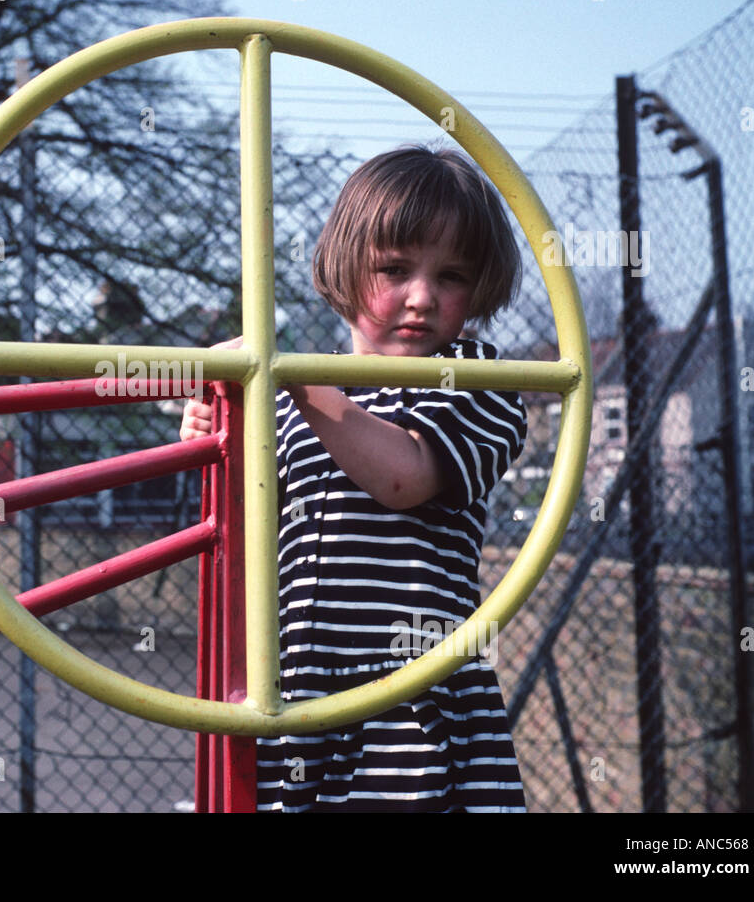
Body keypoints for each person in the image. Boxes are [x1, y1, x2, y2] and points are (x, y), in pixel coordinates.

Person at [180, 145, 529, 812]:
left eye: (451, 276)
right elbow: (244, 533)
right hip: (301, 690)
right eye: (394, 269)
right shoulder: (297, 394)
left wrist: (281, 370)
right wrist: (214, 429)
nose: (423, 297)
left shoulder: (480, 379)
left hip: (412, 698)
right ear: (344, 267)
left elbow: (404, 477)